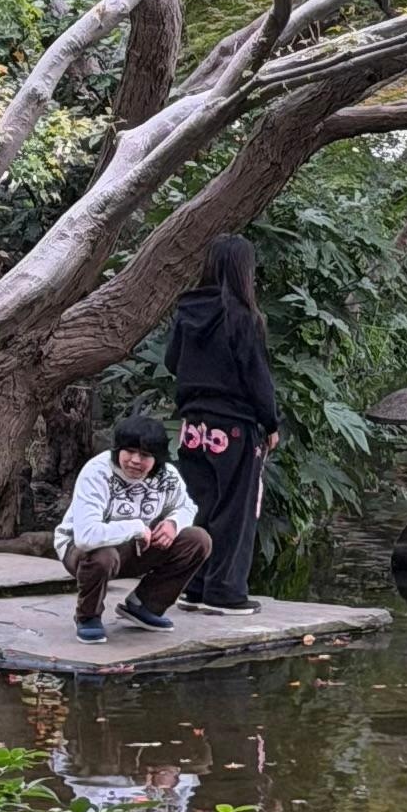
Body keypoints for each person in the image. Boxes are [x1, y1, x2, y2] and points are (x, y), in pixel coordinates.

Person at [164, 231, 279, 611]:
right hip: (233, 428)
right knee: (236, 510)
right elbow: (257, 377)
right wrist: (271, 423)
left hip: (193, 426)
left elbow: (171, 362)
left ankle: (194, 586)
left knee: (199, 506)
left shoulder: (186, 311)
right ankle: (225, 593)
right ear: (244, 271)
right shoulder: (243, 317)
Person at [56, 411, 209, 637]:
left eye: (145, 455)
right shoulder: (97, 472)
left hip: (137, 548)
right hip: (81, 550)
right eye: (129, 451)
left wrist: (174, 524)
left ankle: (145, 605)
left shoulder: (167, 476)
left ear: (157, 459)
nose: (135, 460)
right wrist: (136, 527)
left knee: (198, 540)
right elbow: (86, 536)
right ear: (118, 449)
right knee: (102, 555)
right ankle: (88, 616)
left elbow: (188, 507)